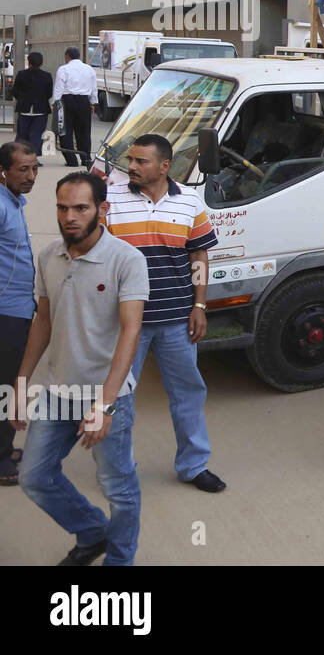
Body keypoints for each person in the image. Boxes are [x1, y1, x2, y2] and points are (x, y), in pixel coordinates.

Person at [15, 172, 149, 565]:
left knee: (117, 486)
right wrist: (22, 382)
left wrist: (105, 405)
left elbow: (131, 330)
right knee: (35, 477)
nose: (69, 216)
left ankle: (120, 559)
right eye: (62, 207)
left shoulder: (126, 260)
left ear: (102, 210)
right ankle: (93, 533)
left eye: (80, 208)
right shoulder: (49, 255)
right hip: (58, 392)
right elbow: (43, 319)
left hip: (107, 396)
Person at [104, 134, 225, 492]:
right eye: (131, 161)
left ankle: (193, 465)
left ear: (164, 166)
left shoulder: (189, 201)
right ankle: (116, 470)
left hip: (176, 319)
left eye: (141, 161)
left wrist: (200, 305)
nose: (132, 167)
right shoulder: (110, 200)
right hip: (128, 324)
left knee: (188, 394)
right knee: (119, 396)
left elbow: (199, 255)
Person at [1, 141, 39, 486]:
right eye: (22, 169)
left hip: (19, 307)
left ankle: (4, 447)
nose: (30, 176)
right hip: (5, 313)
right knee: (5, 387)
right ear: (3, 171)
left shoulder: (14, 201)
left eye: (34, 168)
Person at [51, 47, 96, 168]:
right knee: (84, 132)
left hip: (67, 101)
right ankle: (86, 158)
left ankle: (71, 160)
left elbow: (59, 87)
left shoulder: (63, 69)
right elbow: (93, 87)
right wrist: (92, 103)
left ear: (67, 56)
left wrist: (55, 102)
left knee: (65, 131)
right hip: (83, 101)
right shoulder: (89, 69)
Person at [12, 52, 53, 152]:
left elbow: (15, 91)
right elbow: (49, 93)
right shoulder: (47, 76)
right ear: (41, 62)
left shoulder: (21, 74)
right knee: (37, 134)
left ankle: (19, 157)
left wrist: (22, 100)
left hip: (24, 109)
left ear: (29, 61)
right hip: (41, 110)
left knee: (22, 134)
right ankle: (33, 158)